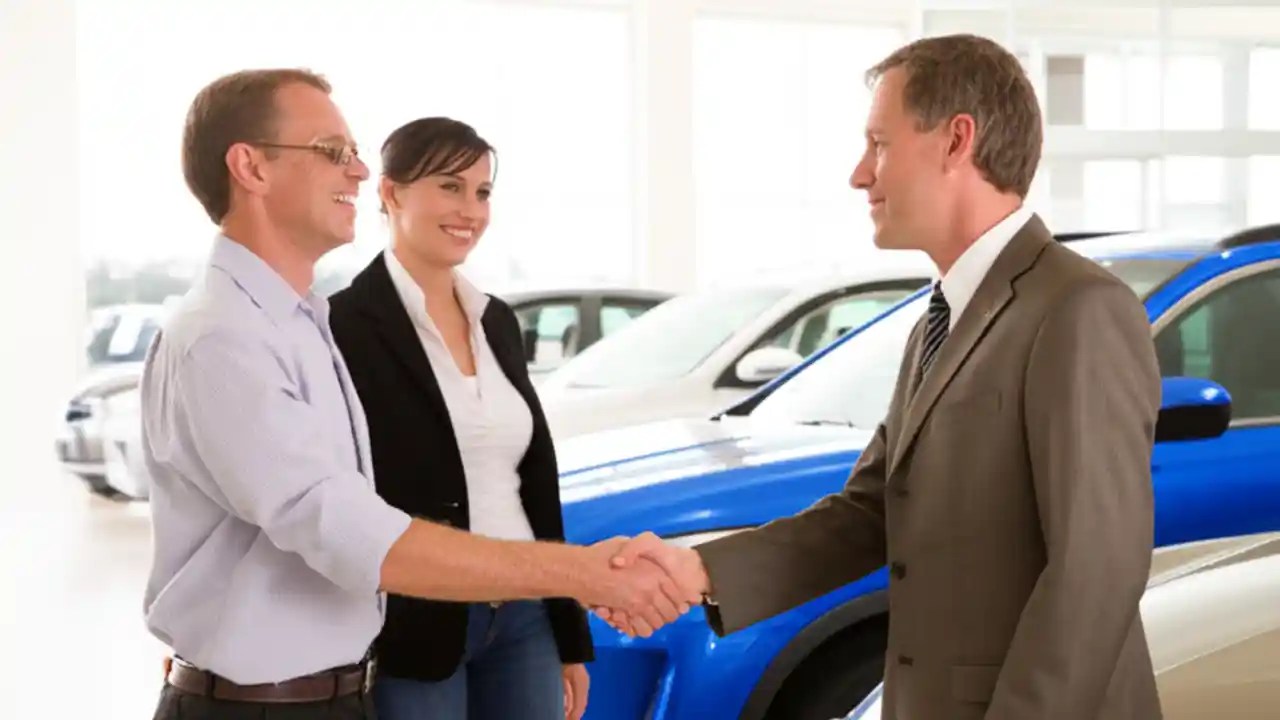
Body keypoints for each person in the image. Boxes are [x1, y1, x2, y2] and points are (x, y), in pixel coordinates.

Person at [606, 34, 1163, 720]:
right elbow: (872, 513)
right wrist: (701, 571)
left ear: (957, 141)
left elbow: (1095, 573)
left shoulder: (1078, 310)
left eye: (879, 144)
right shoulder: (944, 315)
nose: (859, 175)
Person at [142, 69, 699, 720]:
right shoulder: (225, 338)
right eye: (332, 152)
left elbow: (526, 478)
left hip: (336, 691)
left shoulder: (301, 323)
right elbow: (348, 529)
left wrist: (564, 605)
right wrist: (581, 575)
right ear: (251, 168)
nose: (353, 171)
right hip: (268, 704)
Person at [326, 117, 589, 720]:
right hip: (416, 617)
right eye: (449, 186)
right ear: (389, 193)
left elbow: (535, 483)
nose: (470, 208)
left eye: (482, 191)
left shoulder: (496, 320)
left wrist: (569, 637)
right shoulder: (341, 326)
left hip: (525, 613)